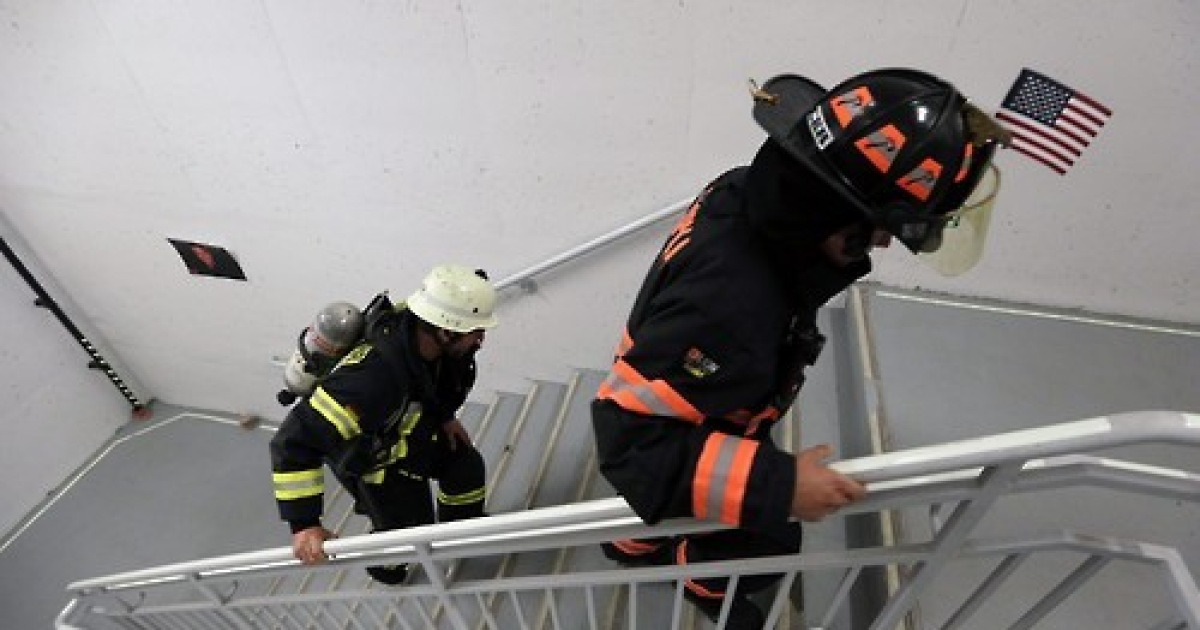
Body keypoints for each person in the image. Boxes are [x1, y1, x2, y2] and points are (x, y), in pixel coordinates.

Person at [592, 68, 1010, 628]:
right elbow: (633, 444)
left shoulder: (751, 193)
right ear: (828, 210)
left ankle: (632, 546)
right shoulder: (733, 305)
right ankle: (708, 587)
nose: (885, 242)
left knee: (682, 493)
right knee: (759, 533)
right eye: (881, 227)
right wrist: (780, 484)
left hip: (696, 387)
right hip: (699, 409)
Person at [270, 264, 498, 584]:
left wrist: (445, 417)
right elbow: (294, 442)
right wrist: (304, 524)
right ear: (446, 331)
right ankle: (387, 568)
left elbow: (427, 381)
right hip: (380, 465)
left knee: (465, 465)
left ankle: (460, 531)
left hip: (414, 433)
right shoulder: (367, 382)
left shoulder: (423, 333)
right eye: (476, 333)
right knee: (407, 531)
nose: (481, 341)